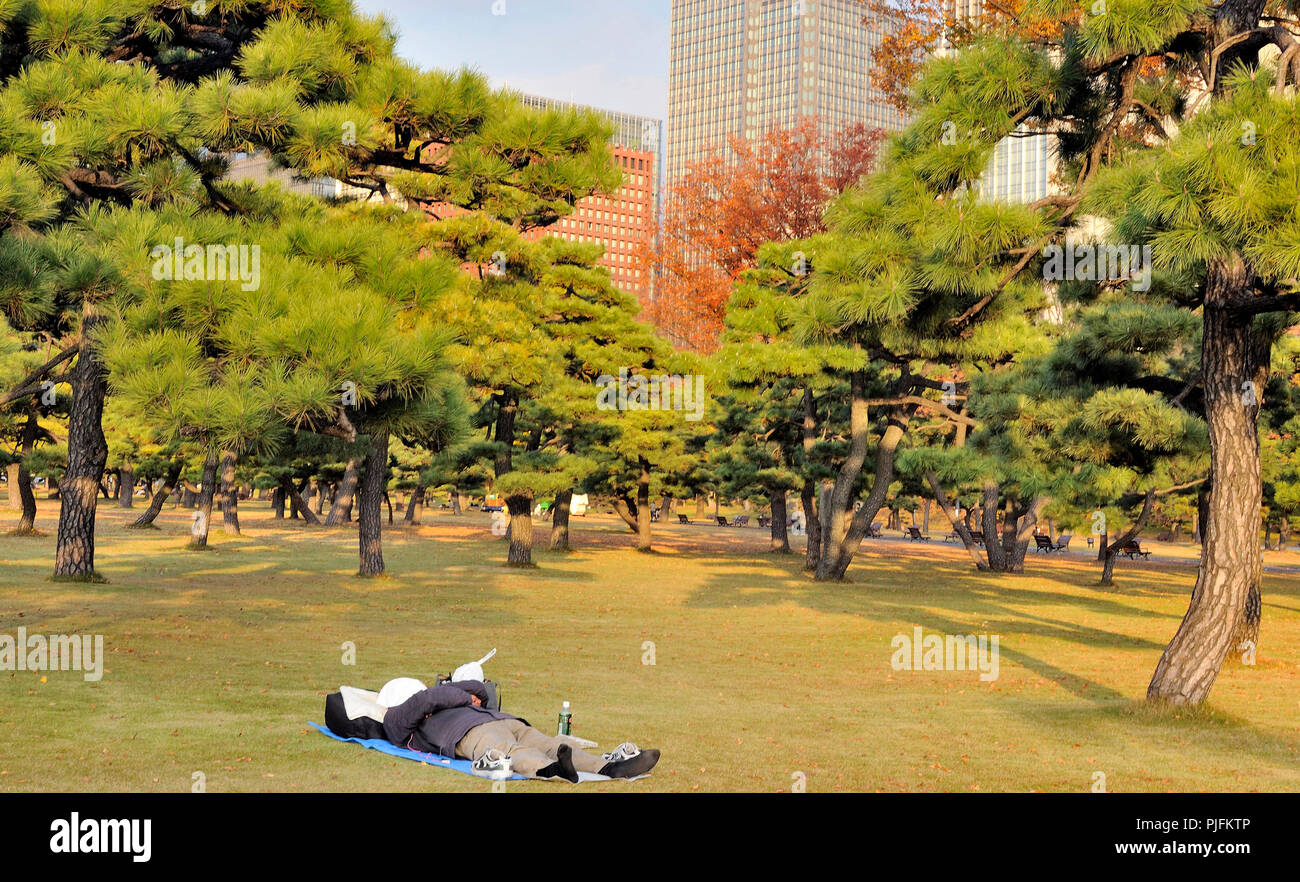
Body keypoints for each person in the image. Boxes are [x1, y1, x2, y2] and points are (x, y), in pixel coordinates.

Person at [379, 678, 660, 783]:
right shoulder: (400, 720)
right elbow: (427, 699)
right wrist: (461, 697)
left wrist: (463, 695)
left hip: (507, 721)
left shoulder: (443, 696)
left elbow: (478, 687)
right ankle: (553, 769)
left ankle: (609, 768)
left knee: (552, 743)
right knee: (512, 752)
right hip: (471, 734)